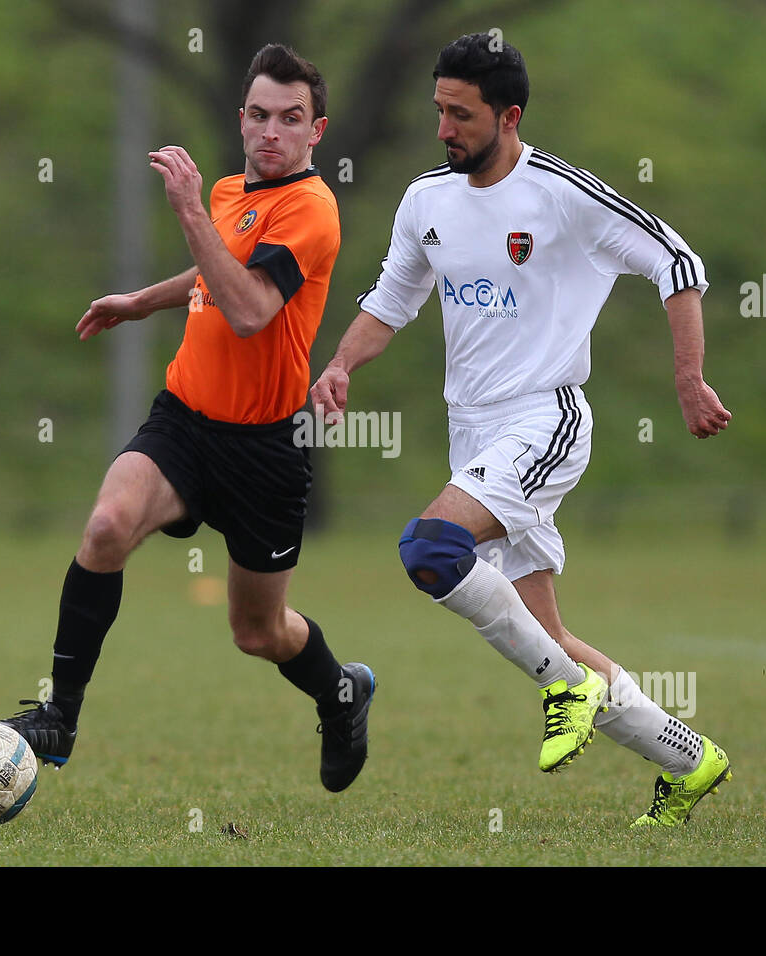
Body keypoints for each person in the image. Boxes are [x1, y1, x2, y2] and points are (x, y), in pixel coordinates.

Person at [312, 33, 730, 825]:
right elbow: (391, 301)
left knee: (430, 548)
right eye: (438, 110)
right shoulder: (425, 202)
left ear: (509, 117)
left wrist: (687, 380)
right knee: (547, 636)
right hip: (473, 432)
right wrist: (340, 366)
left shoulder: (563, 196)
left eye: (460, 115)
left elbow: (676, 262)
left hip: (546, 417)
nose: (443, 129)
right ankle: (689, 759)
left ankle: (565, 691)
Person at [3, 43, 375, 794]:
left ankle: (344, 693)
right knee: (107, 527)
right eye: (260, 115)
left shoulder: (312, 211)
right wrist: (141, 300)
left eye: (290, 119)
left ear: (317, 132)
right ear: (241, 119)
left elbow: (248, 308)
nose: (273, 131)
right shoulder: (235, 192)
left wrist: (184, 208)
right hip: (184, 423)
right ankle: (58, 718)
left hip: (266, 451)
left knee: (257, 632)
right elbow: (216, 268)